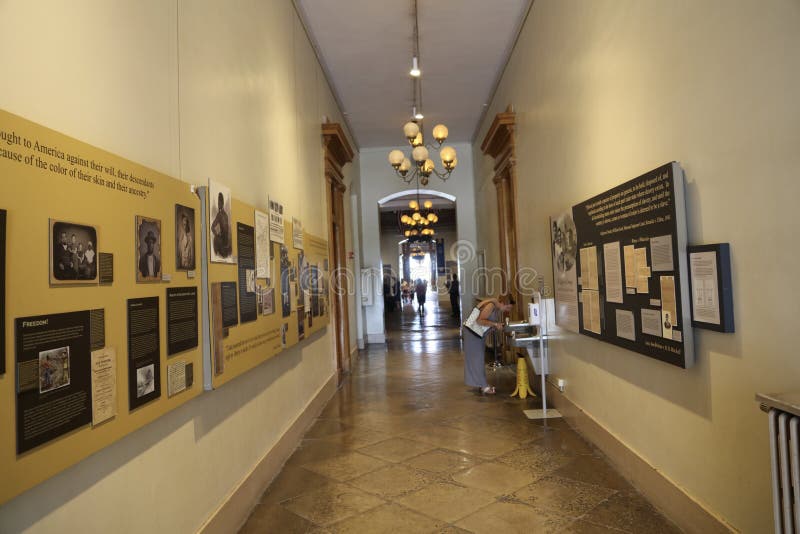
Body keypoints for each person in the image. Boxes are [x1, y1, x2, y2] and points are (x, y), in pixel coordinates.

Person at [463, 295, 514, 395]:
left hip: (477, 334)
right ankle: (484, 386)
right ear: (503, 303)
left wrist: (495, 325)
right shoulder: (491, 305)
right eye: (507, 308)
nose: (507, 310)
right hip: (472, 333)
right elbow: (480, 320)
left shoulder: (495, 307)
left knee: (478, 359)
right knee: (477, 360)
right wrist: (495, 324)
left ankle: (480, 383)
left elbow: (486, 322)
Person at [211, 192, 232, 258]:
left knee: (215, 239)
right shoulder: (226, 215)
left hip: (223, 245)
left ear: (221, 203)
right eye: (218, 203)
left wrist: (217, 235)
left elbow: (212, 227)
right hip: (227, 243)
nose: (218, 204)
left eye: (219, 203)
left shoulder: (220, 214)